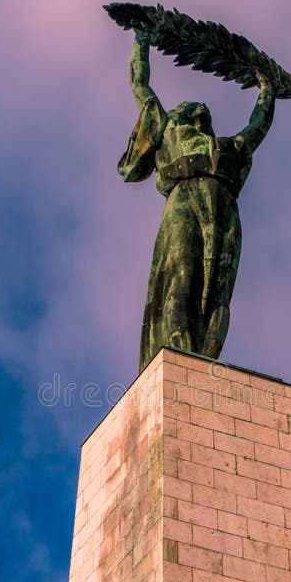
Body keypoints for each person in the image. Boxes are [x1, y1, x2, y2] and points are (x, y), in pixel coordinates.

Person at [119, 33, 277, 371]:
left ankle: (205, 351)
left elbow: (257, 128)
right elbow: (140, 85)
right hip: (184, 201)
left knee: (217, 286)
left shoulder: (229, 147)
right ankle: (178, 343)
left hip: (223, 211)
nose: (198, 111)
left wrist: (268, 92)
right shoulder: (168, 131)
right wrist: (142, 39)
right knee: (183, 271)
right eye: (190, 111)